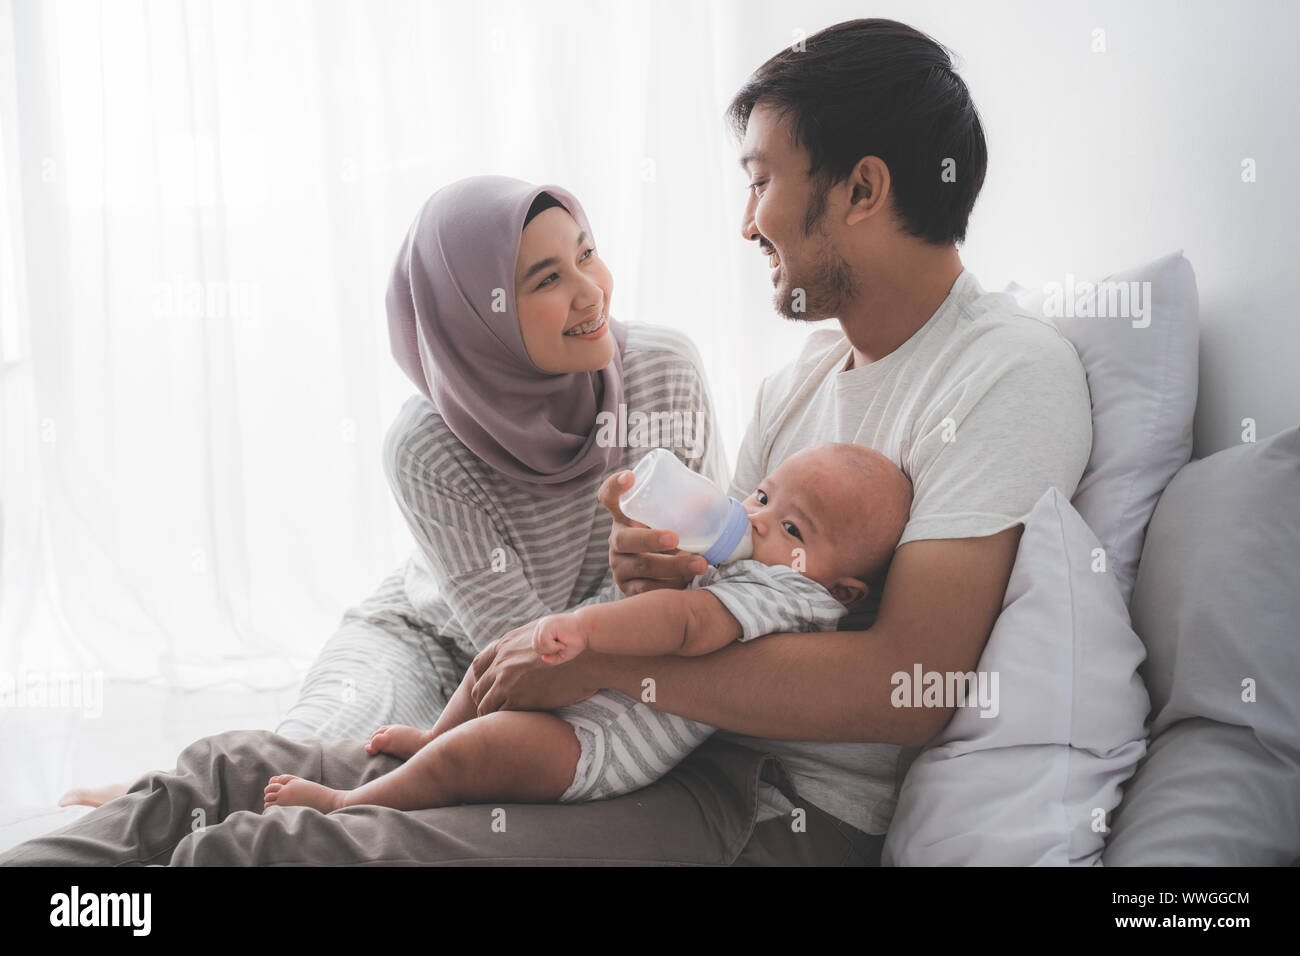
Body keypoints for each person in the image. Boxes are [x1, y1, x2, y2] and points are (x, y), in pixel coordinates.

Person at [7, 17, 1092, 867]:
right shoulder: (802, 380)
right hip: (653, 743)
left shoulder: (1002, 370)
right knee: (226, 768)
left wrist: (603, 656)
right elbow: (727, 586)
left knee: (292, 847)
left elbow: (903, 681)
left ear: (861, 188)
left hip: (772, 807)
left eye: (762, 177)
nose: (746, 218)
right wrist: (645, 575)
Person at [260, 443, 912, 813]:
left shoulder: (792, 595)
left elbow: (688, 627)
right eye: (763, 497)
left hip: (599, 750)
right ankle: (434, 734)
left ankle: (357, 806)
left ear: (841, 588)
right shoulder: (747, 557)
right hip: (589, 700)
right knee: (494, 658)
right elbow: (661, 580)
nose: (760, 520)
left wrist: (587, 631)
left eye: (792, 529)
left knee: (485, 750)